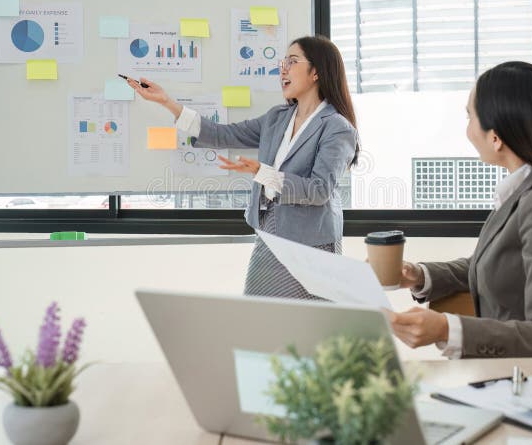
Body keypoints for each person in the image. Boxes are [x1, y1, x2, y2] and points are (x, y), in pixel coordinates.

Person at [387, 61, 532, 358]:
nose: (467, 130)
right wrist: (418, 275)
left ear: (496, 137)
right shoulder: (528, 190)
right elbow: (494, 265)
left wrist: (447, 329)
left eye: (470, 117)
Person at [126, 35, 359, 300]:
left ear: (316, 71)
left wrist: (263, 173)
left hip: (312, 246)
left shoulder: (336, 127)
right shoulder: (276, 118)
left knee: (306, 330)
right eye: (283, 61)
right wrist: (167, 102)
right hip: (270, 234)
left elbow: (319, 190)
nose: (282, 68)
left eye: (292, 62)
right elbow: (221, 135)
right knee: (257, 319)